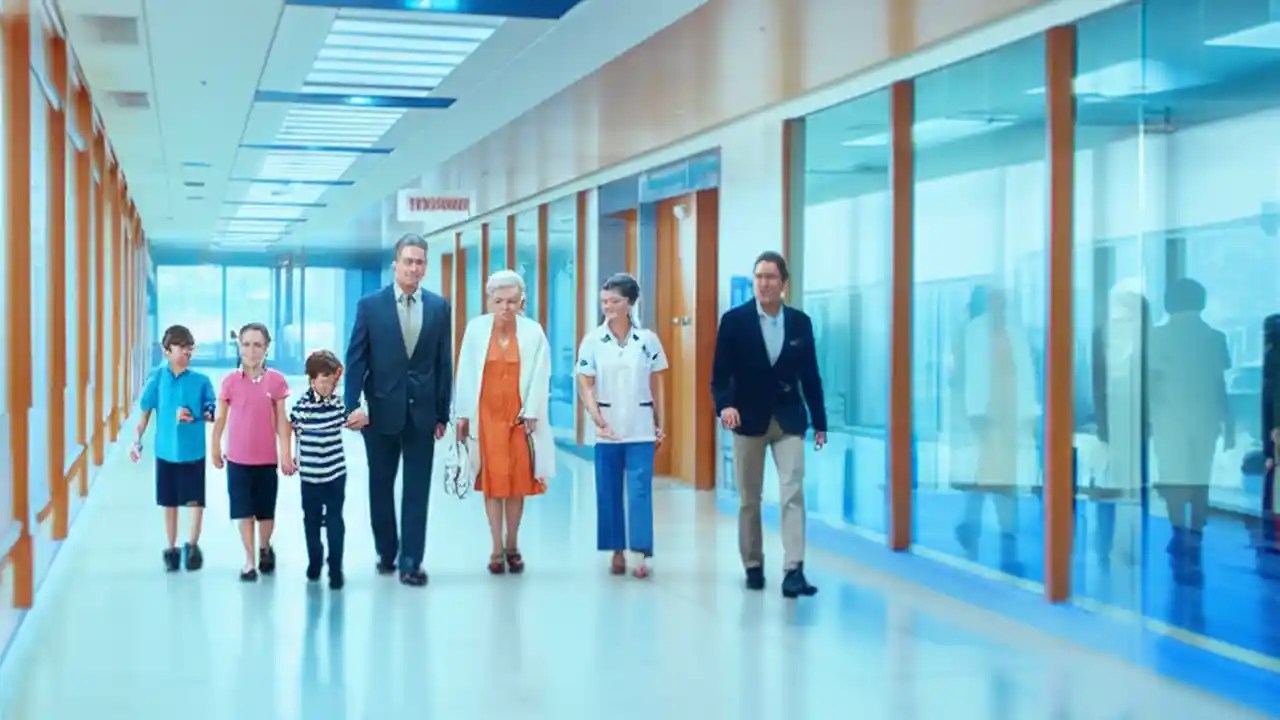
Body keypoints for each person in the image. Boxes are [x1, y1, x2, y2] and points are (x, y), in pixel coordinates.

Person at [711, 251, 825, 598]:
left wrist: (820, 421)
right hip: (748, 419)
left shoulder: (800, 323)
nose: (764, 283)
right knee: (750, 497)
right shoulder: (734, 321)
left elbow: (811, 376)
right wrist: (725, 406)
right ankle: (753, 564)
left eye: (771, 277)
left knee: (793, 491)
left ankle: (794, 569)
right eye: (759, 277)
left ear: (784, 284)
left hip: (789, 417)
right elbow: (719, 376)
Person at [344, 234, 451, 587]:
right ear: (395, 265)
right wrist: (352, 405)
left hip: (422, 413)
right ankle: (387, 552)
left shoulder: (438, 307)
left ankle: (411, 561)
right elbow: (356, 358)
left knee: (417, 488)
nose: (413, 267)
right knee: (381, 484)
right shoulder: (370, 306)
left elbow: (442, 361)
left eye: (419, 262)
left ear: (425, 266)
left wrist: (442, 412)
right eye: (408, 261)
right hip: (379, 412)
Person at [453, 270, 555, 574]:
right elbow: (466, 373)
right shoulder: (476, 329)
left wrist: (534, 410)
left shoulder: (533, 332)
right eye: (498, 301)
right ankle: (496, 546)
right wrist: (462, 414)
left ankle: (514, 543)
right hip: (485, 416)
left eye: (512, 301)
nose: (505, 308)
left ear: (522, 301)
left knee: (517, 484)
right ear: (489, 300)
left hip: (520, 418)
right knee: (494, 483)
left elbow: (541, 374)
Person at [575, 273, 667, 579]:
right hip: (607, 429)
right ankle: (616, 549)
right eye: (604, 301)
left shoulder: (648, 340)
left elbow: (658, 384)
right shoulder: (592, 341)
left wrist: (660, 423)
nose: (608, 307)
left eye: (614, 301)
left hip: (641, 426)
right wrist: (594, 416)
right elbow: (585, 383)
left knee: (640, 491)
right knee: (609, 490)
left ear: (629, 303)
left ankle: (640, 553)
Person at [211, 322, 295, 582]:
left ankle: (264, 547)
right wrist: (215, 446)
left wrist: (285, 454)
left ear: (266, 348)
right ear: (239, 346)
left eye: (257, 345)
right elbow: (221, 419)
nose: (251, 350)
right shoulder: (230, 382)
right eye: (246, 344)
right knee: (243, 511)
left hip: (266, 459)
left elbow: (282, 422)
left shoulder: (277, 381)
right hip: (237, 458)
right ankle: (249, 560)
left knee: (265, 512)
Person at [131, 325, 217, 572]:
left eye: (190, 347)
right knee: (169, 503)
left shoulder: (201, 381)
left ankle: (192, 545)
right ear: (167, 350)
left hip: (193, 452)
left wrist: (197, 414)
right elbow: (144, 414)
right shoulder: (157, 379)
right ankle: (171, 547)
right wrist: (137, 441)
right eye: (181, 347)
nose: (187, 351)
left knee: (195, 502)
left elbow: (212, 411)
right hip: (165, 452)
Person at [288, 350, 348, 590]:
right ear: (312, 380)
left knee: (335, 520)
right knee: (311, 521)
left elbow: (352, 419)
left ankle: (335, 567)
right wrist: (290, 458)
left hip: (335, 474)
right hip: (310, 478)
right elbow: (291, 434)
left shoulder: (339, 404)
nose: (328, 385)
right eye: (324, 379)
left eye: (332, 379)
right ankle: (315, 560)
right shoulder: (300, 408)